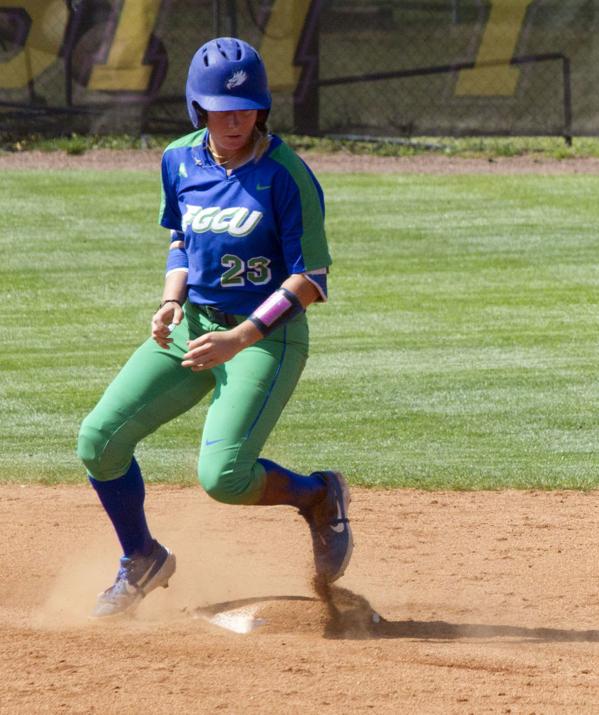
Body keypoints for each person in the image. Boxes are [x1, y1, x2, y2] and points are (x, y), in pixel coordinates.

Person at [77, 37, 351, 617]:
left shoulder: (285, 175)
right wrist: (171, 300)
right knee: (98, 441)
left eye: (246, 108)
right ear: (196, 108)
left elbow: (312, 280)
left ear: (262, 108)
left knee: (224, 478)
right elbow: (181, 239)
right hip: (194, 326)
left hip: (263, 337)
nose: (235, 120)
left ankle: (318, 497)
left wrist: (240, 338)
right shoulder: (179, 159)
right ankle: (143, 557)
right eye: (221, 109)